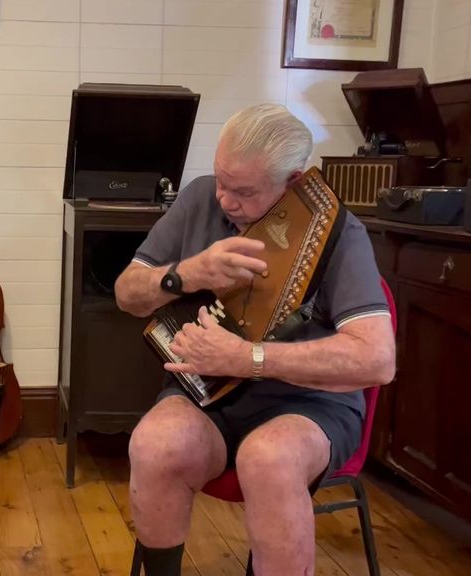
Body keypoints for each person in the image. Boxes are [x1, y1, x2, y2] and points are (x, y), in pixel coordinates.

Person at [114, 103, 396, 575]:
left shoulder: (339, 234)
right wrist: (187, 273)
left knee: (269, 458)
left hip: (311, 405)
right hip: (209, 395)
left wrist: (251, 359)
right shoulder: (201, 199)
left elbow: (377, 360)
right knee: (155, 444)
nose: (225, 200)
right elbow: (127, 294)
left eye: (243, 191)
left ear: (293, 181)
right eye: (221, 180)